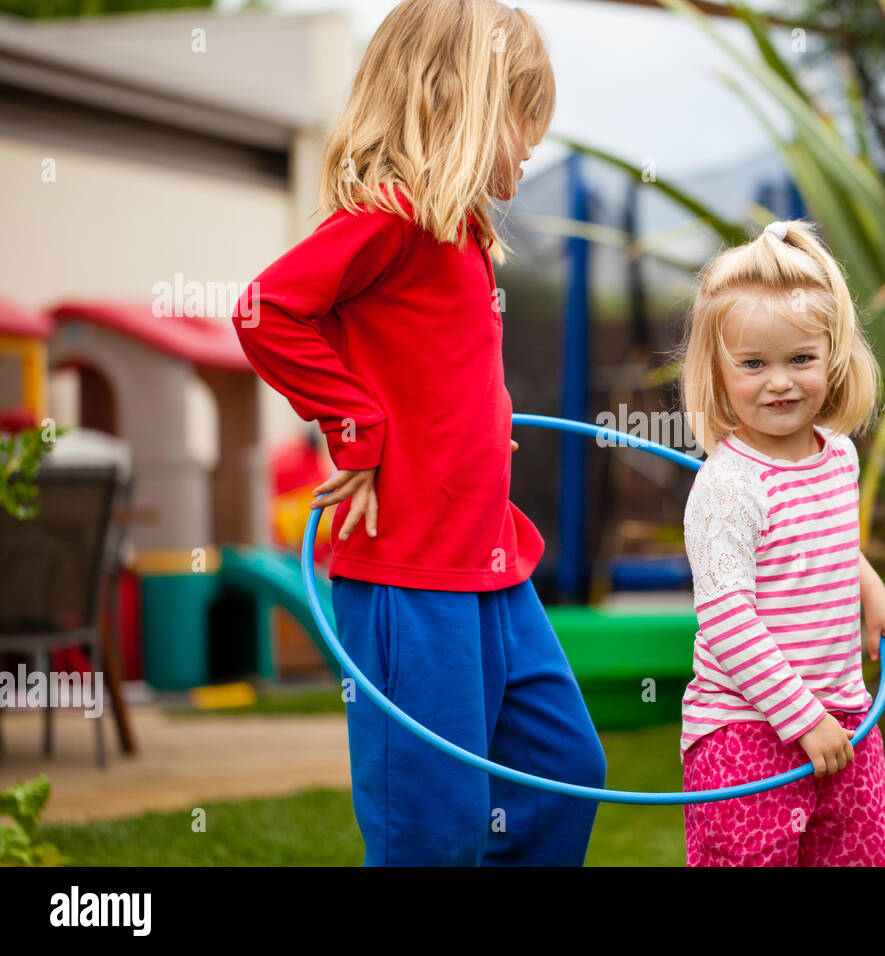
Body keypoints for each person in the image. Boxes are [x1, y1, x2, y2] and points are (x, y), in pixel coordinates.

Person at [230, 0, 605, 866]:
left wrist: (474, 432)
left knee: (563, 771)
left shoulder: (457, 232)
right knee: (432, 829)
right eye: (525, 117)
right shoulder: (390, 216)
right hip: (411, 576)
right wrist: (357, 428)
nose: (532, 143)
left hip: (489, 567)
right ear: (467, 101)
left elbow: (431, 366)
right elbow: (265, 310)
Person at [674, 218, 885, 866]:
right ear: (718, 375)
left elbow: (827, 545)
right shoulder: (728, 487)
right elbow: (727, 619)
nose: (779, 381)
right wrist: (802, 719)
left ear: (831, 359)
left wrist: (873, 593)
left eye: (800, 359)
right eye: (753, 364)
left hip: (846, 722)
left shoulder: (837, 458)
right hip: (747, 736)